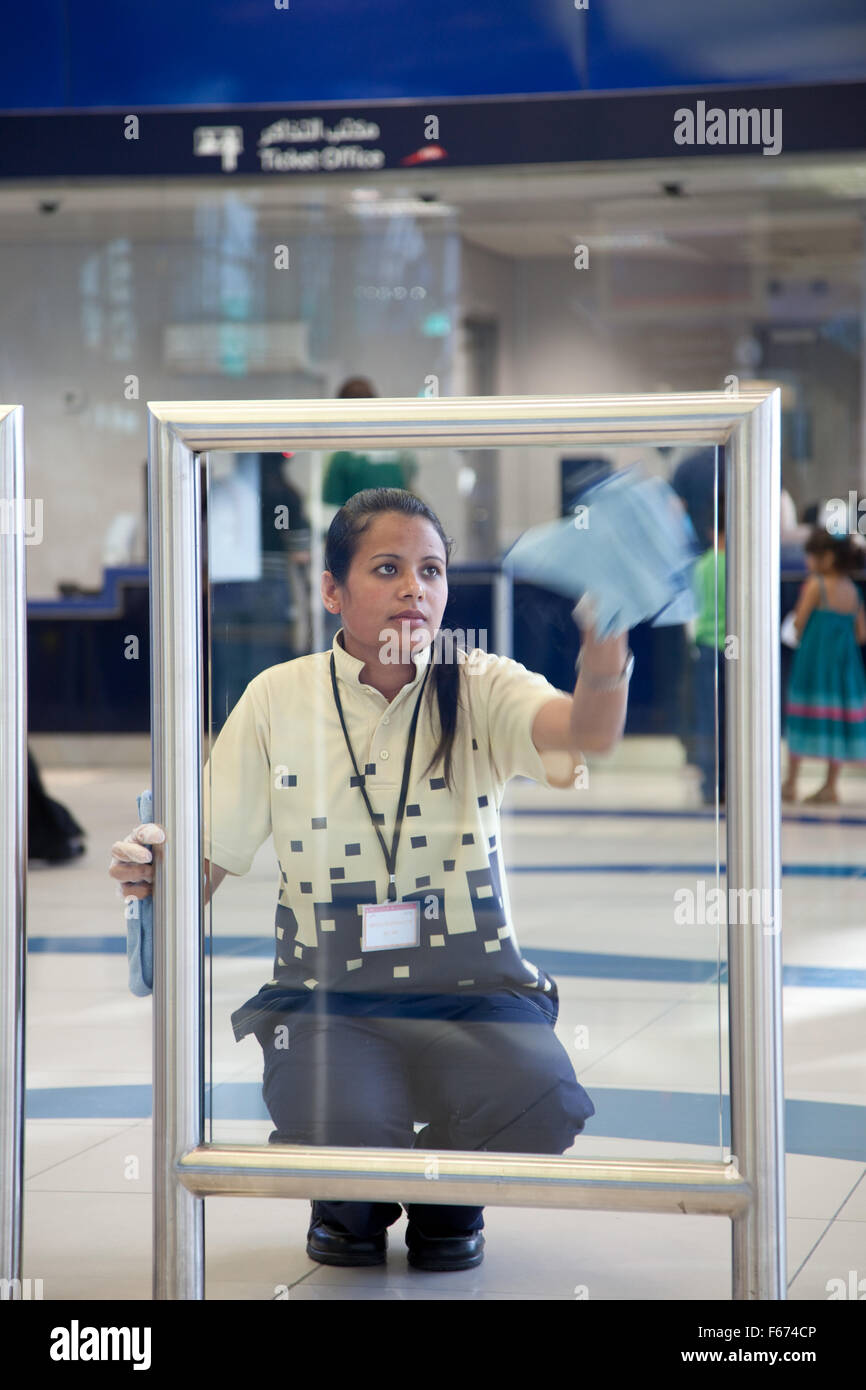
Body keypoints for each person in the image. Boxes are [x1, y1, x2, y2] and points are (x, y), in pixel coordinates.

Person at [110, 488, 632, 1273]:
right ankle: (347, 1198)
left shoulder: (477, 681)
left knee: (543, 1100)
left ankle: (447, 1197)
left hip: (470, 985)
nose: (414, 588)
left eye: (431, 570)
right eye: (387, 568)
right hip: (329, 995)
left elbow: (586, 733)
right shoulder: (277, 700)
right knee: (341, 1117)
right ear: (332, 590)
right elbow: (204, 862)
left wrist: (606, 648)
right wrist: (151, 874)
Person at [783, 528, 866, 804]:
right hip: (844, 669)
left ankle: (791, 782)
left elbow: (798, 622)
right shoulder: (852, 591)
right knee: (837, 720)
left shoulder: (816, 585)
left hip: (814, 666)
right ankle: (830, 785)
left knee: (801, 716)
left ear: (827, 558)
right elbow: (861, 633)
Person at [322, 378, 419, 510]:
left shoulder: (342, 458)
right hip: (396, 525)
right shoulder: (398, 450)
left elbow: (329, 507)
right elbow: (409, 489)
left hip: (358, 529)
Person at [691, 483, 726, 806]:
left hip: (706, 650)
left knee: (709, 717)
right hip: (738, 652)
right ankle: (734, 779)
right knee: (735, 717)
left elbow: (691, 610)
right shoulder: (744, 567)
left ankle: (710, 783)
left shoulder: (702, 565)